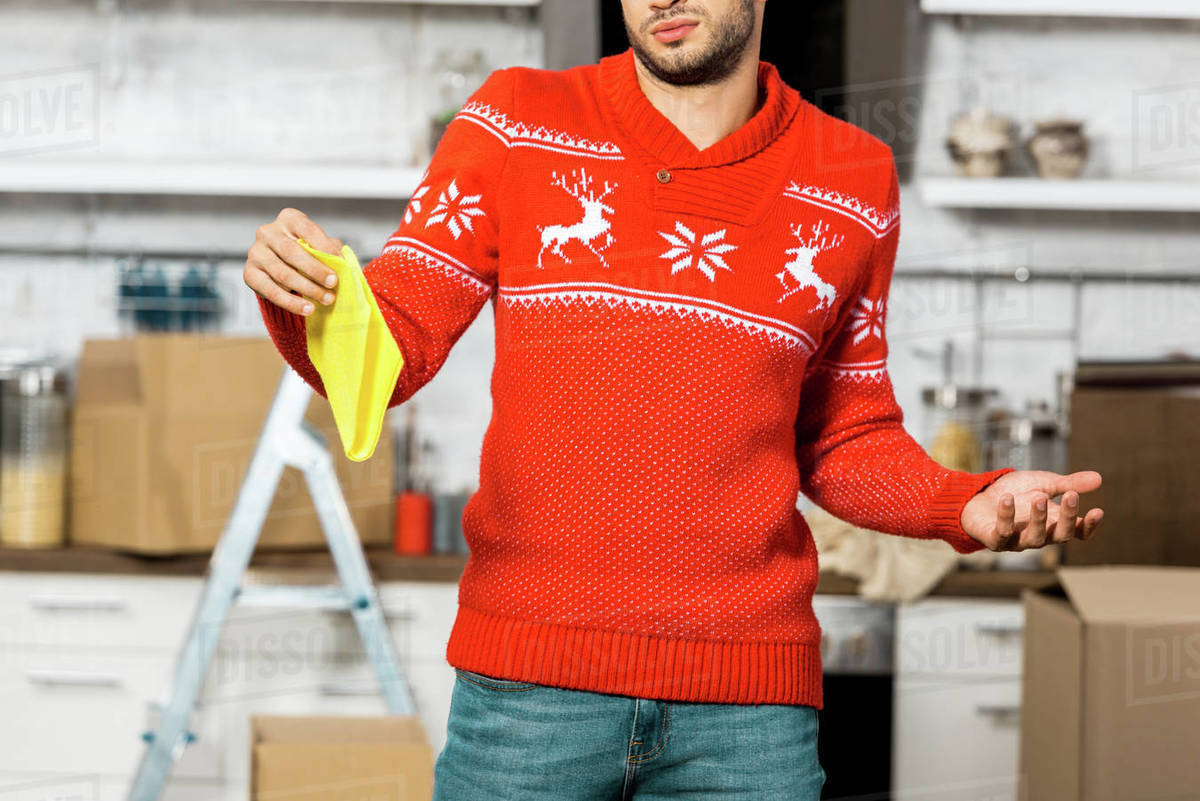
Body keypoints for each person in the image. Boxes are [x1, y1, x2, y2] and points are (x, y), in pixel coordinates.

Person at [244, 1, 1105, 798]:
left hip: (746, 719)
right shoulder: (513, 120)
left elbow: (845, 435)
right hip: (527, 701)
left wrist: (967, 500)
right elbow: (390, 346)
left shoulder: (854, 176)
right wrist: (309, 297)